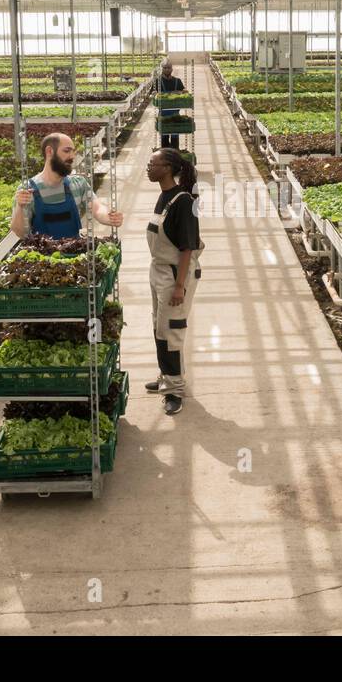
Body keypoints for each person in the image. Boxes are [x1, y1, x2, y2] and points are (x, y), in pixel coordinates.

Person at [145, 147, 202, 416]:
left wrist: (179, 286)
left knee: (172, 331)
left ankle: (175, 390)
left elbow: (187, 248)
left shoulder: (183, 202)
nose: (149, 167)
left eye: (152, 163)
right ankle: (166, 377)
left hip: (173, 274)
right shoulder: (164, 196)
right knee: (159, 327)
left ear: (167, 168)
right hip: (158, 270)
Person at [11, 132, 124, 240]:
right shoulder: (27, 190)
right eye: (67, 151)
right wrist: (20, 207)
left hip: (74, 257)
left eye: (73, 151)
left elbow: (97, 208)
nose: (72, 156)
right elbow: (20, 233)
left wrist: (109, 217)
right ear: (49, 151)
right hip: (43, 259)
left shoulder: (78, 184)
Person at [156, 58, 186, 148]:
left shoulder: (177, 81)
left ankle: (174, 157)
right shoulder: (158, 81)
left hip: (175, 114)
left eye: (168, 67)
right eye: (165, 67)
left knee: (175, 139)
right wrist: (155, 94)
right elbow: (153, 95)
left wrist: (184, 92)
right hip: (163, 114)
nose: (167, 69)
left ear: (172, 69)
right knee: (164, 140)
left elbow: (183, 91)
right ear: (162, 68)